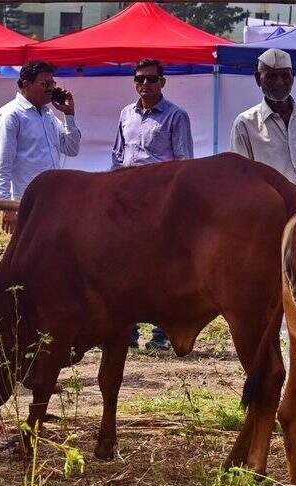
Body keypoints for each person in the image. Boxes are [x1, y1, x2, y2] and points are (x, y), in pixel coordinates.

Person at [110, 58, 194, 350]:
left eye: (151, 79)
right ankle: (127, 332)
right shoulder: (125, 114)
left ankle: (162, 335)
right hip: (129, 200)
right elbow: (118, 157)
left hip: (161, 201)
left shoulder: (175, 116)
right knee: (125, 266)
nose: (145, 84)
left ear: (163, 82)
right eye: (140, 79)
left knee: (162, 268)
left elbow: (184, 163)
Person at [0, 60, 81, 234]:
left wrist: (69, 115)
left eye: (52, 83)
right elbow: (1, 164)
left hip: (54, 198)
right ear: (26, 84)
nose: (51, 89)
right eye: (45, 84)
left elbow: (71, 148)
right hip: (27, 201)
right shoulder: (11, 115)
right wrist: (6, 206)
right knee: (30, 256)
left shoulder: (48, 115)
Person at [230, 48, 296, 199]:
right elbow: (241, 179)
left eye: (285, 75)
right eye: (271, 76)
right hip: (272, 216)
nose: (279, 82)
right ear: (258, 79)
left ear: (293, 77)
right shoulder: (245, 124)